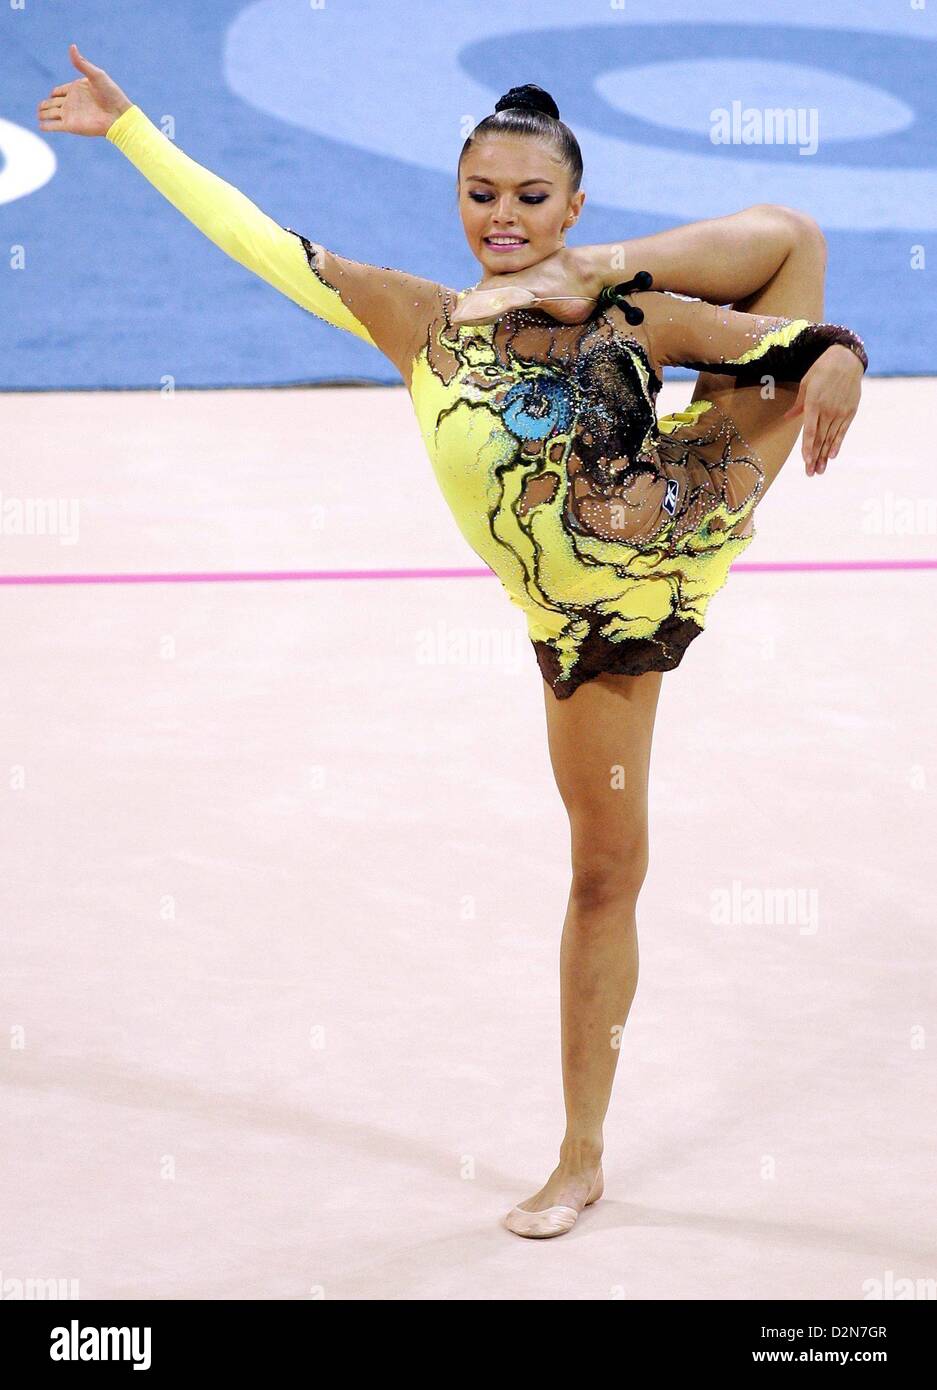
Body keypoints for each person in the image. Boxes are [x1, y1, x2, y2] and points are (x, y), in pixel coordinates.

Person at [38, 50, 866, 1239]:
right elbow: (263, 246)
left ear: (572, 208)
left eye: (533, 198)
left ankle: (580, 1154)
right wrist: (130, 131)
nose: (503, 216)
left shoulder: (627, 308)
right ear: (456, 197)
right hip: (593, 636)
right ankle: (579, 1158)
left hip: (700, 492)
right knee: (603, 874)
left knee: (788, 229)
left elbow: (784, 333)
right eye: (483, 193)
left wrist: (832, 353)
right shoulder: (420, 322)